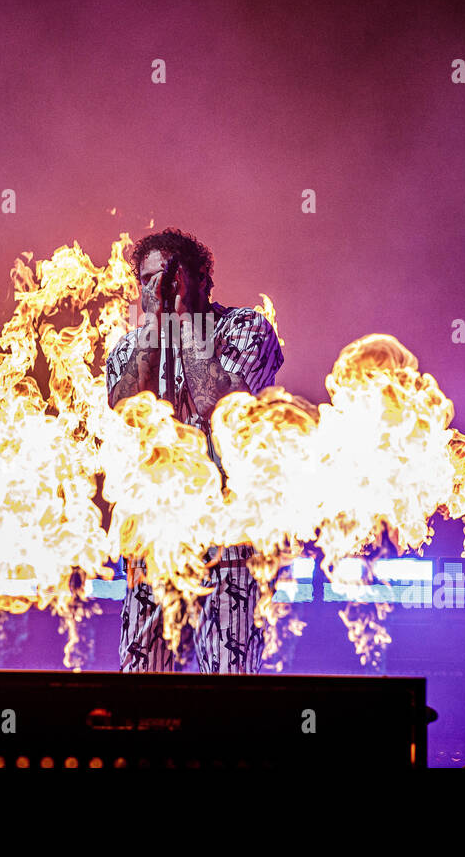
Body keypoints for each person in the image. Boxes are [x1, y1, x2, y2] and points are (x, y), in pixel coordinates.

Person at [104, 228, 284, 673]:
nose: (157, 288)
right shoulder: (129, 347)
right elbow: (126, 409)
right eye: (146, 280)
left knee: (228, 693)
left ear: (202, 279)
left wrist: (184, 320)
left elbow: (218, 403)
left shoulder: (246, 328)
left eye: (168, 276)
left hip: (230, 548)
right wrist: (153, 327)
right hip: (154, 545)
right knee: (141, 692)